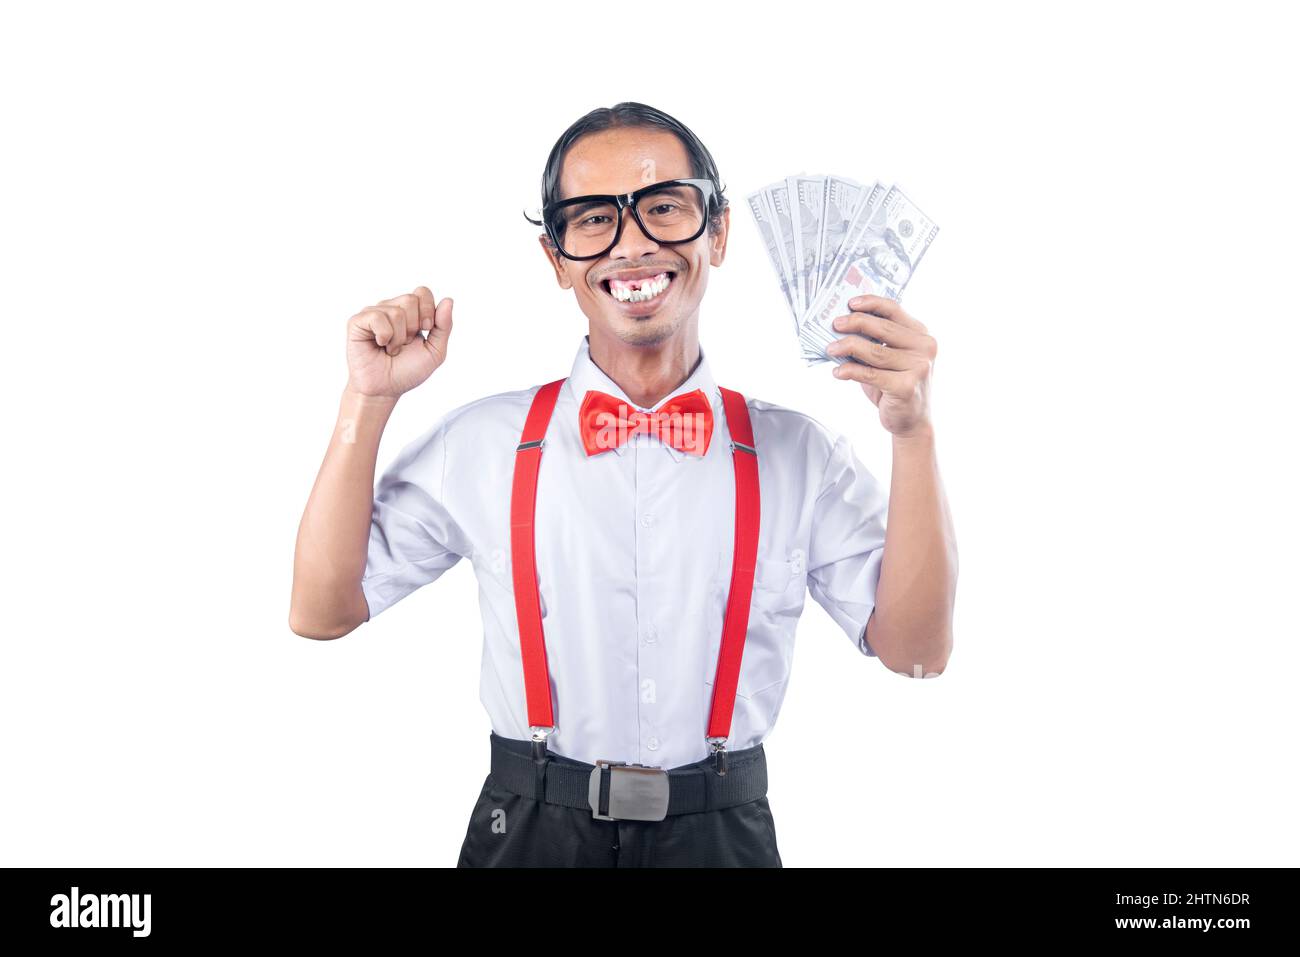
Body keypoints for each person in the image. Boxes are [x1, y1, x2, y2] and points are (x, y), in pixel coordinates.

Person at [289, 101, 958, 867]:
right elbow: (319, 610)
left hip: (722, 832)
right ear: (556, 257)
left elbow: (917, 653)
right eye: (592, 219)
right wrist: (367, 400)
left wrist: (914, 435)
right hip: (531, 829)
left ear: (719, 231)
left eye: (664, 207)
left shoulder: (798, 454)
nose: (632, 243)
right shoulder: (483, 443)